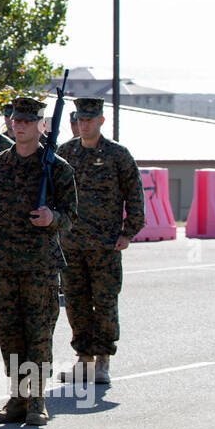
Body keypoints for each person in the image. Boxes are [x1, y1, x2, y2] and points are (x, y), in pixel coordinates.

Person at [0, 96, 77, 427]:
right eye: (16, 121)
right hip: (4, 263)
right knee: (10, 334)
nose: (19, 126)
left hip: (40, 265)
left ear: (40, 126)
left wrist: (53, 218)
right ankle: (17, 396)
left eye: (27, 122)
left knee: (38, 334)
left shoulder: (58, 169)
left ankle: (37, 398)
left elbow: (72, 215)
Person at [56, 97, 145, 385]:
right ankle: (84, 359)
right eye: (80, 120)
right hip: (71, 243)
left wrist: (128, 232)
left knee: (104, 302)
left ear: (101, 121)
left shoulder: (118, 155)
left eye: (90, 120)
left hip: (105, 244)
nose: (84, 124)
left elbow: (135, 195)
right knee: (76, 303)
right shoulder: (65, 152)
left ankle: (103, 359)